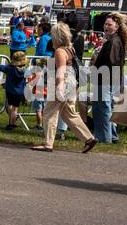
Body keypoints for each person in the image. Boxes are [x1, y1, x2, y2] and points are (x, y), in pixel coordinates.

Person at [31, 22, 97, 153]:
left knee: (50, 113)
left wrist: (59, 86)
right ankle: (89, 138)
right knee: (69, 114)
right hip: (73, 83)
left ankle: (48, 143)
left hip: (64, 83)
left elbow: (61, 70)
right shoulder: (70, 48)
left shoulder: (60, 51)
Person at [89, 12, 127, 144]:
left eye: (109, 24)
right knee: (106, 108)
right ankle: (111, 136)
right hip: (110, 79)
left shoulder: (114, 42)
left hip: (106, 80)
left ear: (117, 26)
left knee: (102, 109)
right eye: (105, 24)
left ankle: (104, 138)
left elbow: (112, 62)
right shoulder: (116, 40)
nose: (106, 27)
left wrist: (96, 63)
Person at [0, 49, 28, 131]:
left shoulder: (10, 68)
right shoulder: (25, 70)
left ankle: (11, 124)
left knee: (10, 107)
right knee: (14, 109)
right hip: (20, 92)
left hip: (11, 91)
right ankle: (12, 121)